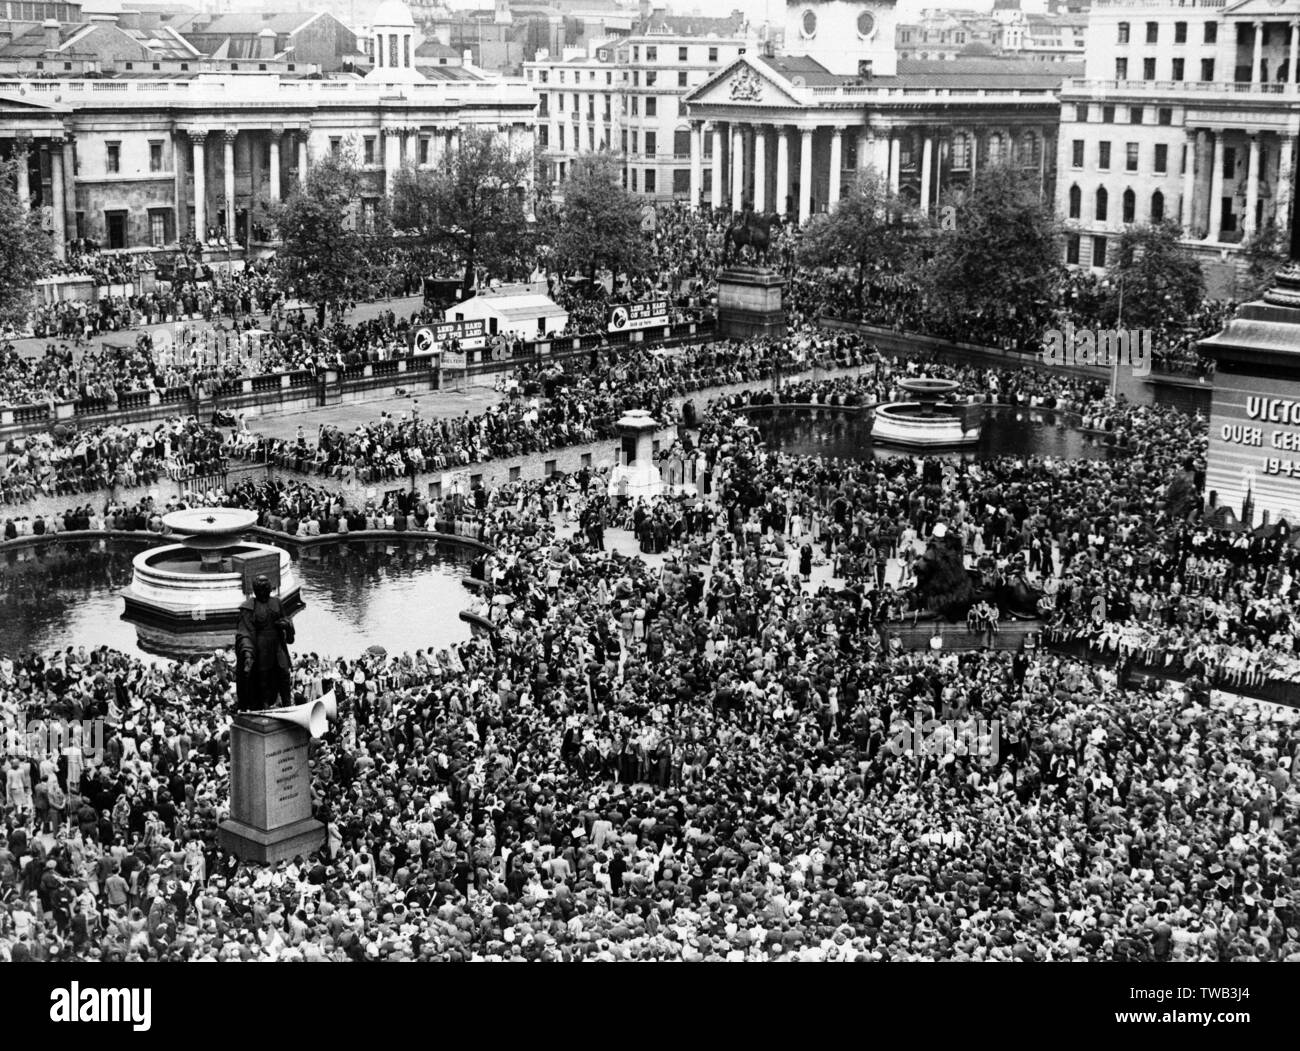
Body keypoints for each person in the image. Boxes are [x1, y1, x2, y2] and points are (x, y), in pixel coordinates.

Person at [234, 574, 295, 710]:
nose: (265, 592)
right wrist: (248, 653)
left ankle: (288, 704)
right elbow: (245, 633)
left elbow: (287, 621)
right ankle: (264, 705)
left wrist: (288, 626)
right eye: (262, 589)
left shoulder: (277, 602)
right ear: (256, 591)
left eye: (267, 588)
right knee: (263, 677)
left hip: (277, 643)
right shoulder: (249, 608)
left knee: (284, 672)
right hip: (261, 645)